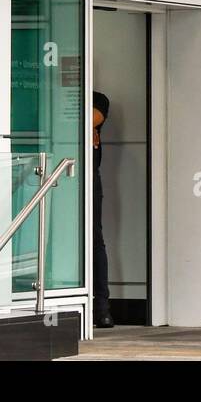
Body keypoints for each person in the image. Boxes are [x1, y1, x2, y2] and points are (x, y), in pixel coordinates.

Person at [92, 91, 113, 328]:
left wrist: (90, 126)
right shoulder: (54, 96)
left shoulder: (97, 98)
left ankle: (102, 308)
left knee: (95, 239)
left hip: (89, 177)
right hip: (58, 172)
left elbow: (95, 117)